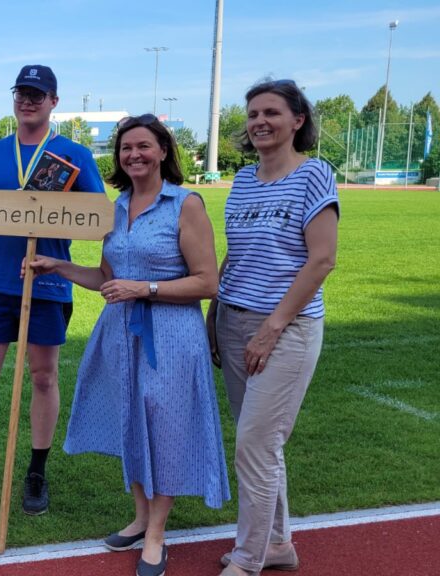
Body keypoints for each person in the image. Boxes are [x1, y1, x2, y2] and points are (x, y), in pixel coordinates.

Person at [28, 115, 230, 576]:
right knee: (131, 423)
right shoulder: (114, 209)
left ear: (163, 151)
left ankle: (157, 532)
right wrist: (56, 267)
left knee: (167, 429)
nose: (134, 155)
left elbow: (207, 282)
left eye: (143, 146)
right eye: (126, 149)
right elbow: (106, 278)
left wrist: (145, 289)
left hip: (173, 337)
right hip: (120, 332)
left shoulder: (185, 204)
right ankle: (141, 517)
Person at [0, 65, 104, 516]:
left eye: (38, 94)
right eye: (22, 93)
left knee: (43, 376)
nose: (28, 101)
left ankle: (36, 470)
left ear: (53, 101)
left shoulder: (74, 154)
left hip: (46, 281)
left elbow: (97, 214)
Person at [210, 79, 338, 576]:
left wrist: (272, 327)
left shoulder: (314, 176)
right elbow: (236, 255)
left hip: (285, 329)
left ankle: (248, 558)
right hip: (233, 319)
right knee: (258, 441)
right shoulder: (242, 180)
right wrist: (213, 311)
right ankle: (279, 545)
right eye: (253, 114)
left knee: (256, 444)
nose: (259, 121)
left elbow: (322, 259)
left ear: (297, 120)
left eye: (272, 112)